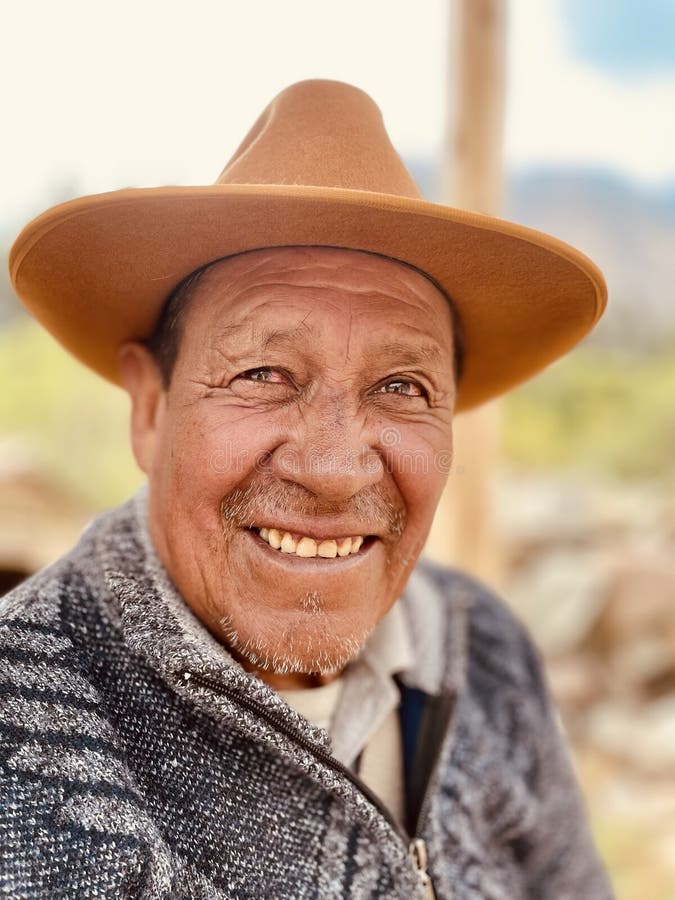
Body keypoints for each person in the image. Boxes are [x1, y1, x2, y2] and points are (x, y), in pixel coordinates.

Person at [1, 80, 612, 899]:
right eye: (261, 373)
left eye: (401, 387)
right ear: (150, 409)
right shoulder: (19, 747)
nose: (333, 470)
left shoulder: (481, 642)